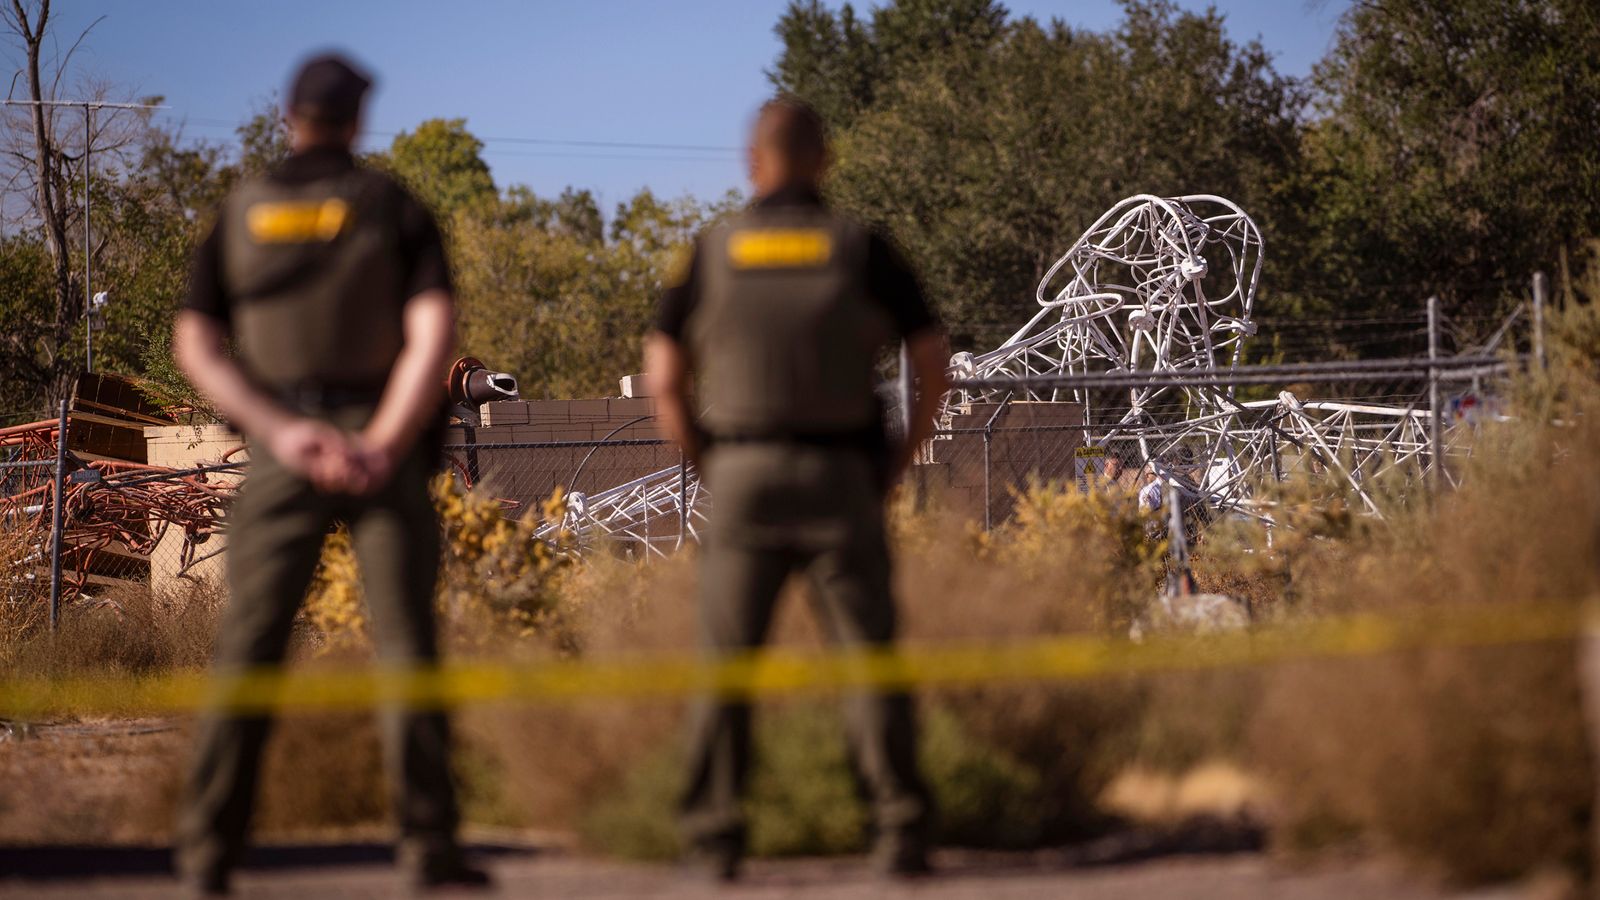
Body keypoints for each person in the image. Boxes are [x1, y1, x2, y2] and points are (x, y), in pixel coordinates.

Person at [171, 53, 488, 896]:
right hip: (381, 450)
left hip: (283, 444)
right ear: (356, 119)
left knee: (250, 644)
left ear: (289, 117)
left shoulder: (241, 213)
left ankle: (208, 850)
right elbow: (433, 331)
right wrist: (384, 441)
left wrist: (283, 430)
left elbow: (195, 344)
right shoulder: (391, 208)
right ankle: (429, 848)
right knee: (407, 645)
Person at [645, 97, 951, 881]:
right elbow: (933, 359)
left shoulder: (710, 252)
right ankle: (899, 833)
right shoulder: (863, 248)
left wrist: (710, 458)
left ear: (752, 164)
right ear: (824, 160)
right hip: (841, 475)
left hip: (742, 472)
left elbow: (663, 375)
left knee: (727, 662)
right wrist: (898, 459)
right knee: (867, 661)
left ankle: (713, 841)